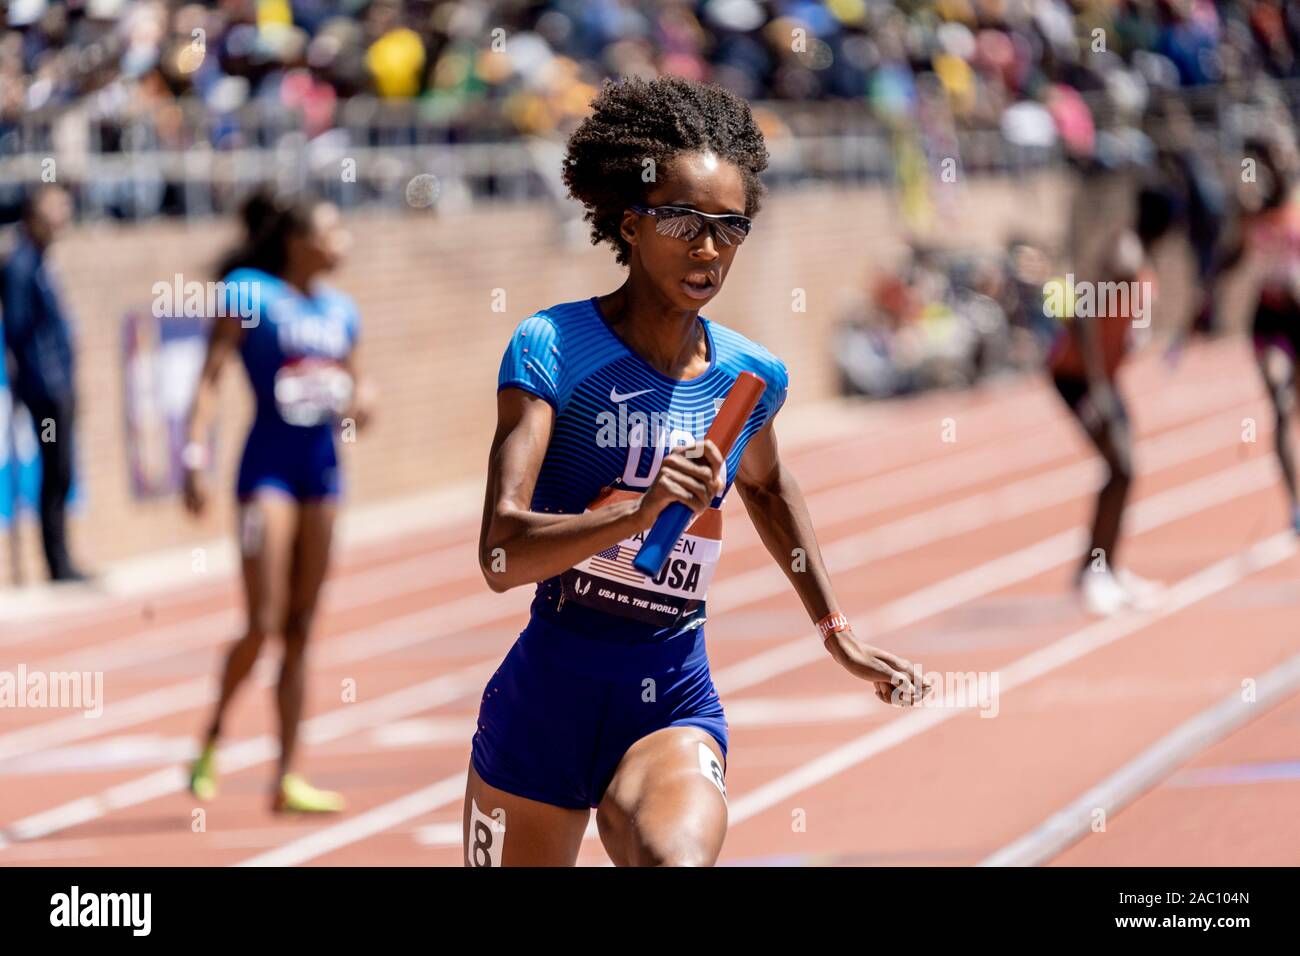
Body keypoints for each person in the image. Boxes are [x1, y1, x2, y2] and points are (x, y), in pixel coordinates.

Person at [465, 76, 931, 868]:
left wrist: (836, 632)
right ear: (630, 222)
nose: (708, 248)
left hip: (670, 693)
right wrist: (634, 516)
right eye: (684, 222)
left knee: (673, 862)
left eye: (730, 227)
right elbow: (500, 556)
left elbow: (770, 490)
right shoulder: (553, 349)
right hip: (544, 701)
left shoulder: (750, 377)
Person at [182, 188, 373, 813]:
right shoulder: (248, 292)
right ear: (299, 241)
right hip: (265, 472)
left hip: (322, 474)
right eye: (332, 229)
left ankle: (288, 776)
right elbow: (211, 377)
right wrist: (193, 455)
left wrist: (360, 403)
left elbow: (361, 394)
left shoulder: (342, 310)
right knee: (263, 621)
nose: (342, 240)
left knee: (300, 629)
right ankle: (211, 737)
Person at [1045, 167, 1172, 616]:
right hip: (1077, 376)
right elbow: (1082, 313)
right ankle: (1093, 572)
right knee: (1120, 466)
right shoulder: (1124, 254)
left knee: (1124, 468)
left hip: (1101, 377)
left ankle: (1106, 568)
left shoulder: (1140, 253)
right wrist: (1098, 388)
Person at [1197, 136, 1300, 534]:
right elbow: (1233, 256)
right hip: (1270, 318)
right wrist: (1206, 295)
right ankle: (1295, 505)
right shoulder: (1250, 213)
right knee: (1278, 399)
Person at [0, 184, 89, 582]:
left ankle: (62, 558)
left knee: (62, 470)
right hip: (45, 389)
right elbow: (18, 330)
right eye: (56, 208)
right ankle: (57, 562)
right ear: (36, 214)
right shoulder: (21, 264)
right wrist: (42, 380)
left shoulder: (39, 259)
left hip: (56, 383)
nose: (64, 216)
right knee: (55, 468)